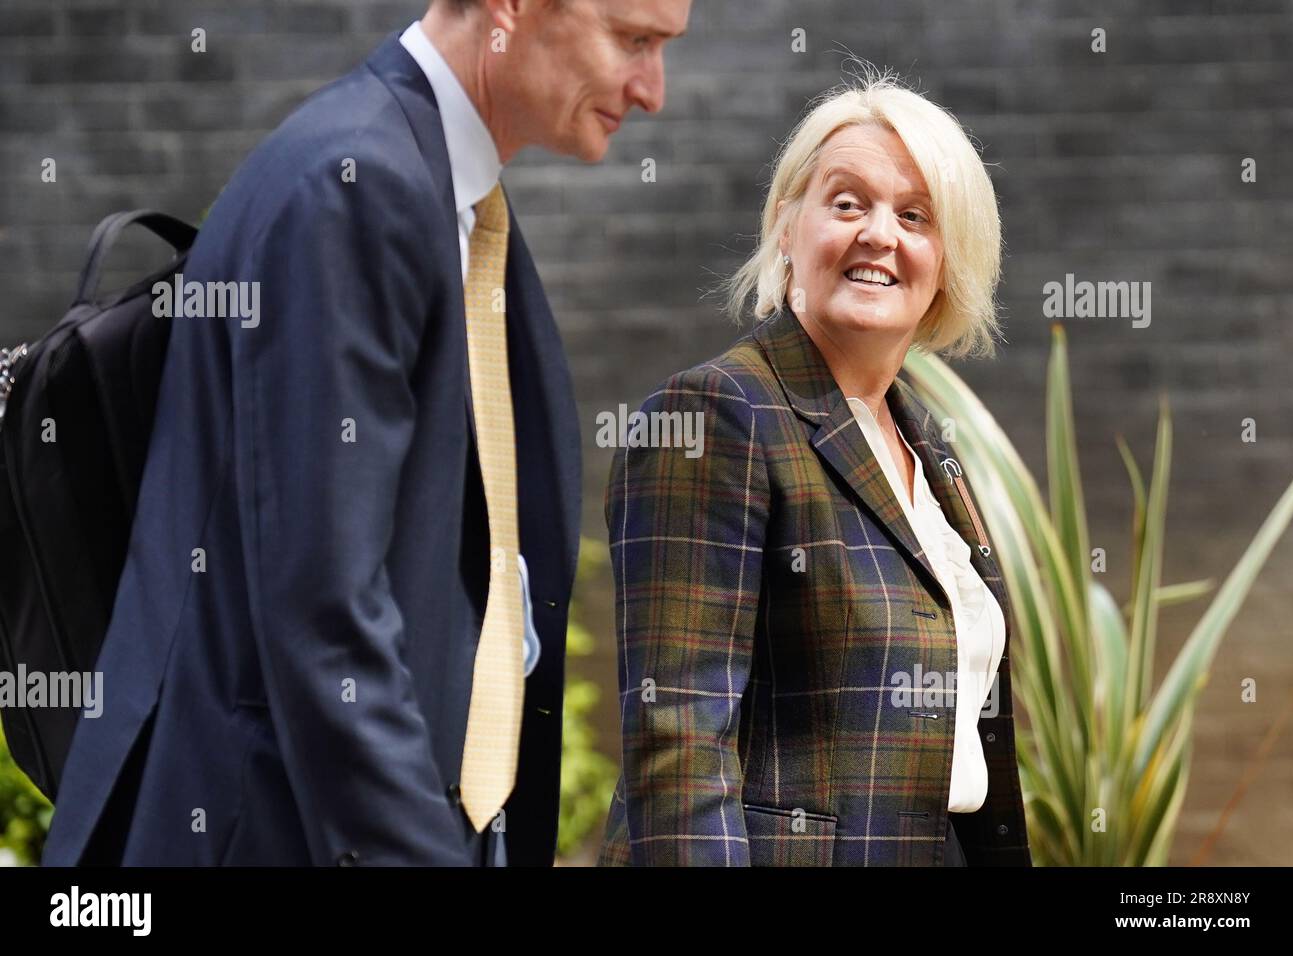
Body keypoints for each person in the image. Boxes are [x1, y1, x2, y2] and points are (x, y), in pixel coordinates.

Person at [42, 0, 692, 867]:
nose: (652, 90)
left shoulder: (432, 187)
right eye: (634, 39)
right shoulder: (355, 185)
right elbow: (323, 606)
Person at [598, 73, 1032, 866]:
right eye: (846, 203)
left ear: (948, 259)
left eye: (915, 216)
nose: (880, 235)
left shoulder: (924, 442)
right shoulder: (716, 413)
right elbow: (678, 742)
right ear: (787, 225)